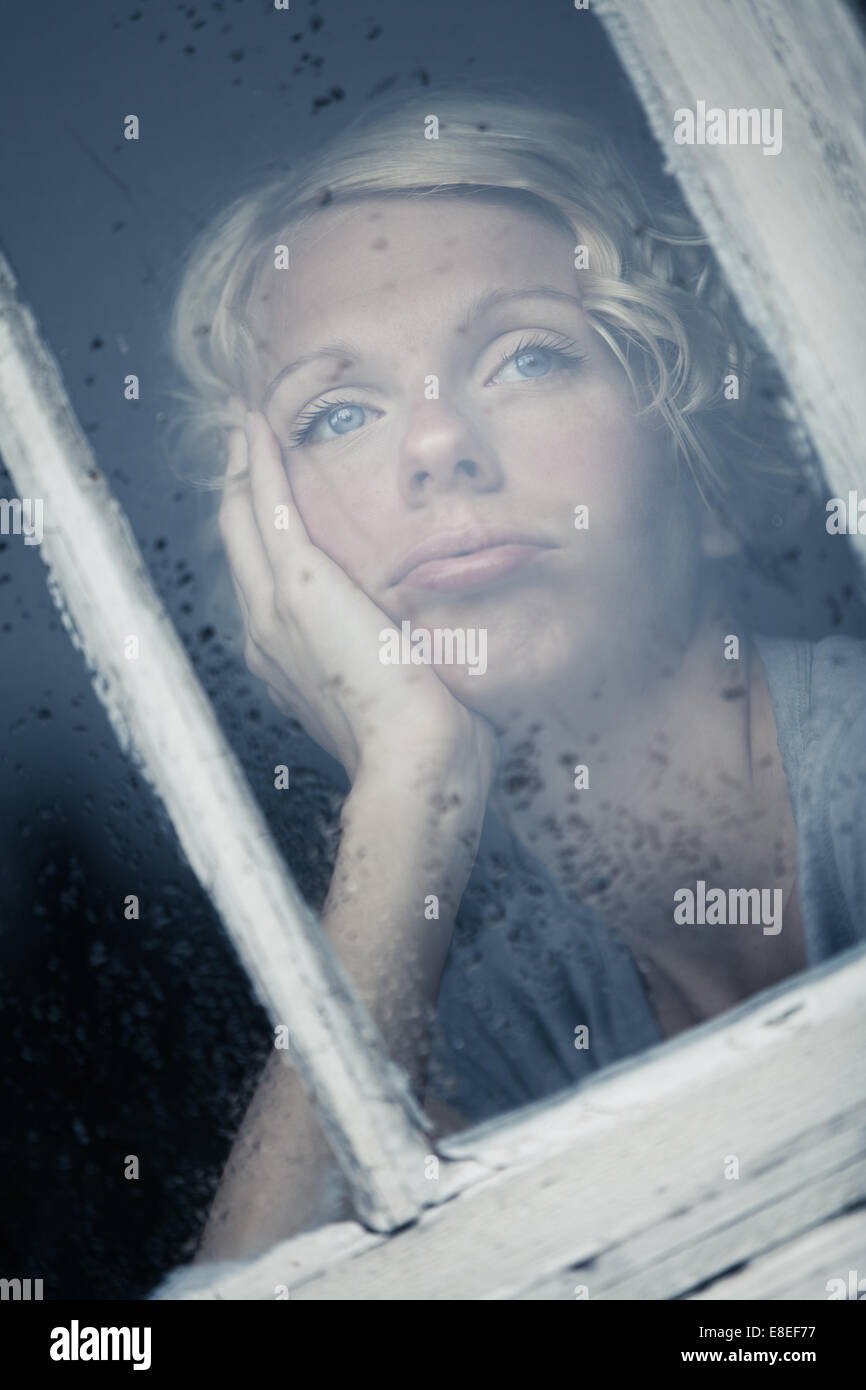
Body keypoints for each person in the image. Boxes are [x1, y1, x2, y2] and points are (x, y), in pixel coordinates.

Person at [154, 83, 866, 1282]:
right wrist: (409, 785)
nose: (435, 445)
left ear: (705, 472)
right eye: (336, 414)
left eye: (528, 354)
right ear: (275, 559)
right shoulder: (500, 1003)